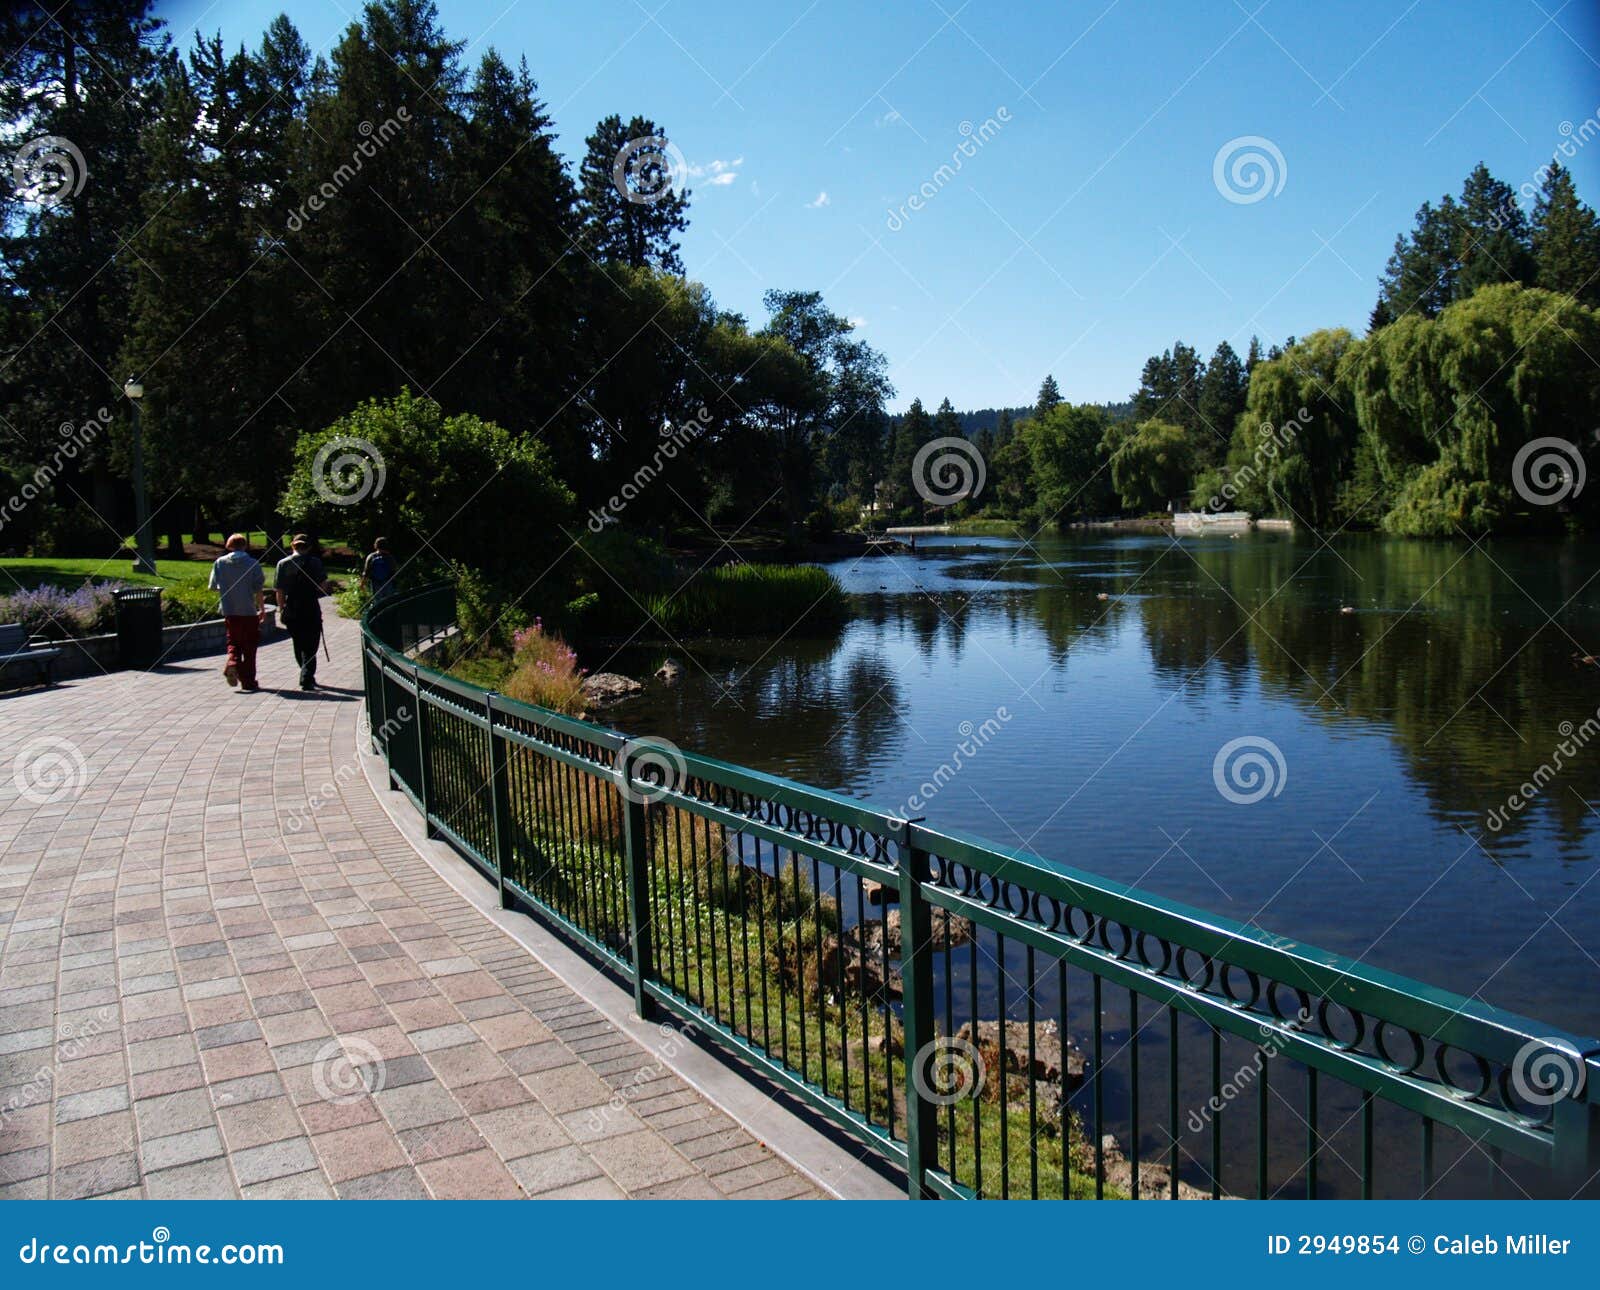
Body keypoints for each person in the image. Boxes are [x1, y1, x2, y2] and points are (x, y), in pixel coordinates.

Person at [208, 534, 266, 692]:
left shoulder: (220, 563)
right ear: (245, 545)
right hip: (248, 610)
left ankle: (233, 662)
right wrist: (261, 608)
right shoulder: (253, 563)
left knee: (233, 641)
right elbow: (258, 589)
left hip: (229, 610)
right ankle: (249, 682)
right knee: (250, 647)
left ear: (228, 545)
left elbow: (213, 586)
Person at [274, 534, 330, 691]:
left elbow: (279, 590)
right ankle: (306, 677)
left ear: (293, 546)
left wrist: (281, 608)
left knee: (298, 643)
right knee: (311, 644)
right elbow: (324, 585)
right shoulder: (315, 562)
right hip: (310, 606)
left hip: (292, 607)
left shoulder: (283, 564)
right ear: (309, 546)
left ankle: (305, 672)